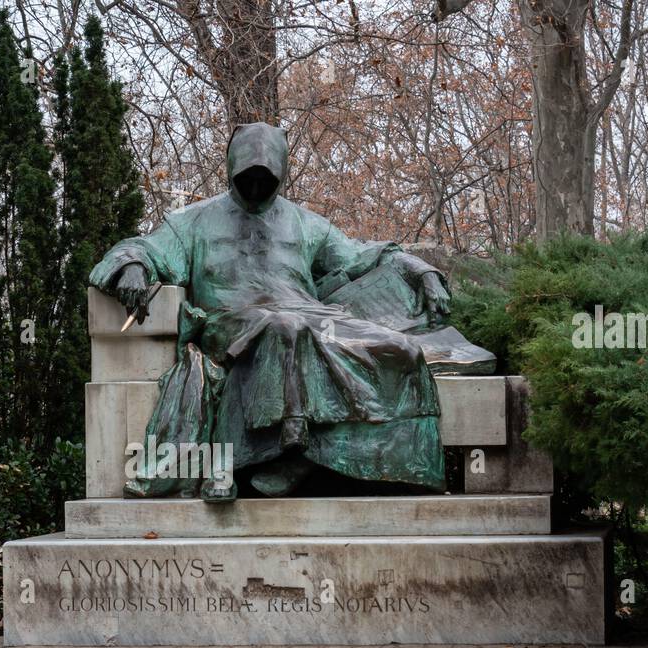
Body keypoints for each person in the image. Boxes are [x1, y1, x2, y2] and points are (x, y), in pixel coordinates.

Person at [89, 121, 488, 502]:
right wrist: (132, 267)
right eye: (249, 176)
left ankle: (384, 467)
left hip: (309, 316)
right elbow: (144, 248)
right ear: (231, 170)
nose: (258, 185)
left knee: (400, 348)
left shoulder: (305, 223)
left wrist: (423, 270)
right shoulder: (190, 222)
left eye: (267, 177)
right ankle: (277, 453)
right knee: (286, 327)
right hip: (230, 321)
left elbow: (363, 253)